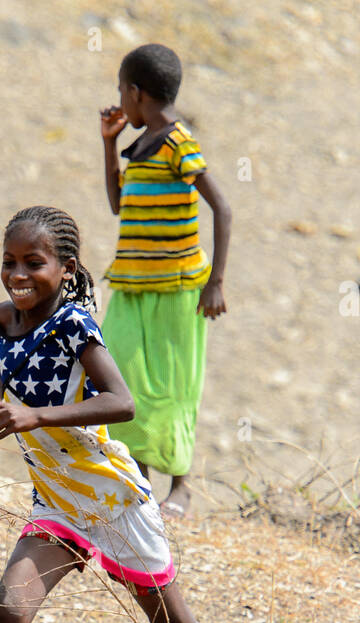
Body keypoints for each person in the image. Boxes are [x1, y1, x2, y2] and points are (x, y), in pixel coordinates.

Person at [0, 206, 275, 623]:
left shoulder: (75, 325)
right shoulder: (7, 320)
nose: (17, 273)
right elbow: (13, 374)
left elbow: (122, 401)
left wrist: (37, 415)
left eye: (34, 262)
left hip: (112, 497)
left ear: (65, 268)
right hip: (58, 500)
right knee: (9, 609)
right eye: (9, 261)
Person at [99, 43, 232, 521]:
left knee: (175, 382)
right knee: (121, 372)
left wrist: (215, 282)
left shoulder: (180, 143)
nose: (119, 100)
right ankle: (139, 481)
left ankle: (181, 486)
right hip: (132, 283)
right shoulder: (139, 147)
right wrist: (109, 144)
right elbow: (119, 206)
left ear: (136, 92)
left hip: (178, 286)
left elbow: (223, 208)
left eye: (121, 91)